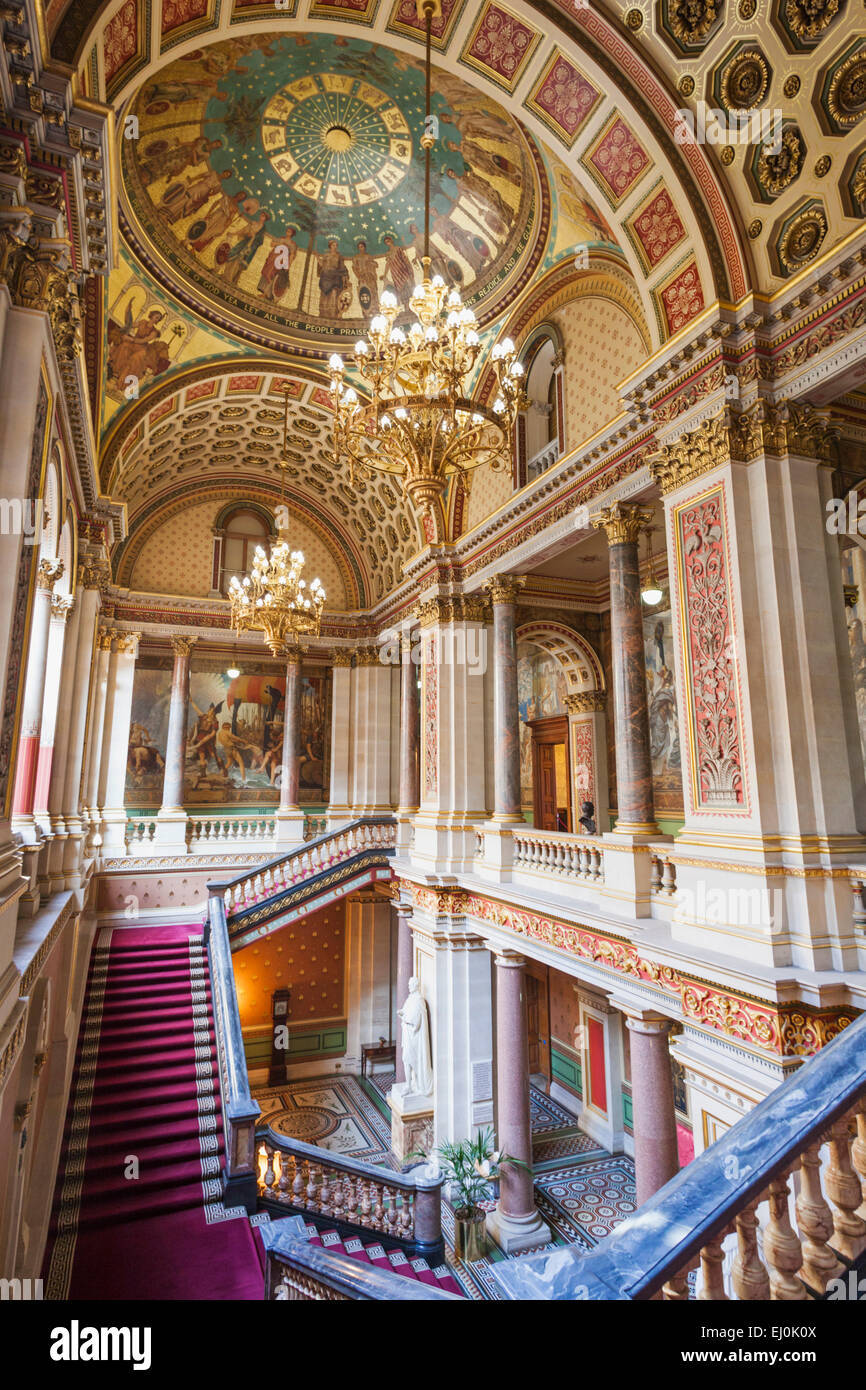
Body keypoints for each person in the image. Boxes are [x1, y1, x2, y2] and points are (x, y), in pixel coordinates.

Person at [397, 977, 433, 1097]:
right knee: (406, 1060)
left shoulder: (419, 1000)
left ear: (415, 986)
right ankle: (409, 1085)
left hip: (414, 1037)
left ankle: (415, 1084)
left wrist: (404, 1018)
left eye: (410, 985)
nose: (408, 986)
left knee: (412, 1060)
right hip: (408, 1035)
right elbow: (407, 1012)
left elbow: (416, 1022)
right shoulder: (410, 999)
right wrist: (402, 1012)